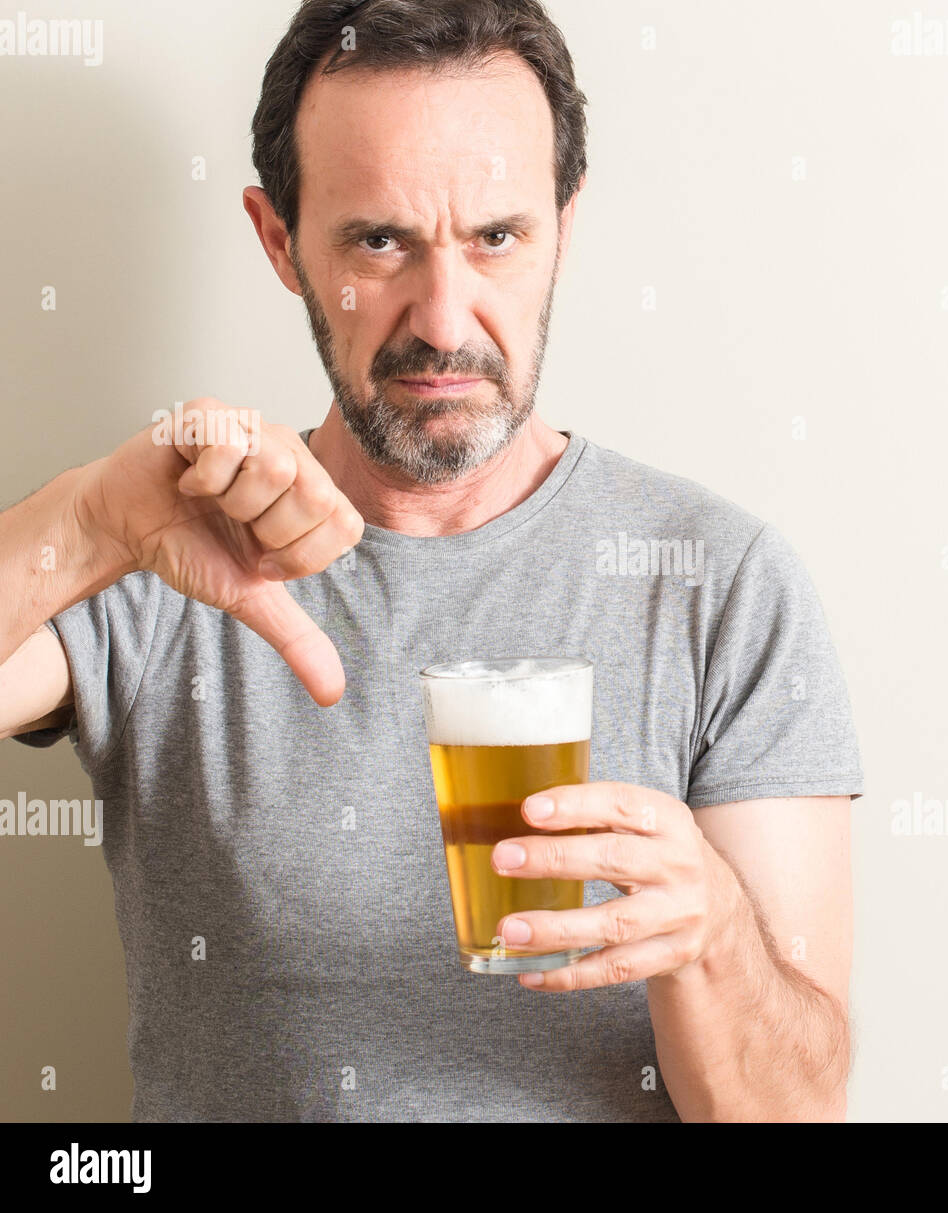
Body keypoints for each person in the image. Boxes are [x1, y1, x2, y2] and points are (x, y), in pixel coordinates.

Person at [0, 0, 863, 1122]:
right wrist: (85, 529)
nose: (444, 319)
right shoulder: (168, 545)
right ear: (280, 242)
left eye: (496, 237)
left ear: (564, 225)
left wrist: (712, 939)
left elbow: (799, 1115)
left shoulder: (721, 585)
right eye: (379, 242)